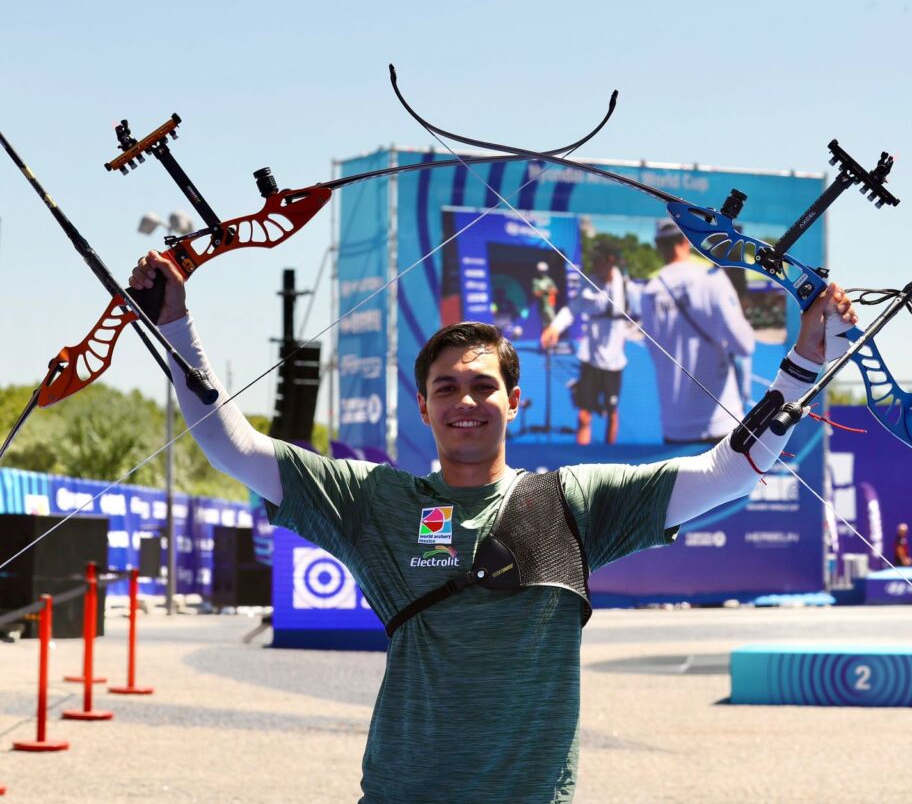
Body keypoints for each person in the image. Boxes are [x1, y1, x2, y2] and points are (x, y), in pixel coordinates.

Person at [130, 249, 856, 804]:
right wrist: (175, 325)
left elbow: (724, 473)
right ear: (424, 406)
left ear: (515, 399)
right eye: (446, 386)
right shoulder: (373, 500)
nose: (465, 400)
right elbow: (235, 446)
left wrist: (803, 365)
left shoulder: (573, 501)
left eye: (483, 385)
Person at [641, 219, 757, 447]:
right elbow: (745, 346)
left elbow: (654, 352)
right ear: (687, 240)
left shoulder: (649, 292)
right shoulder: (711, 279)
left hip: (674, 424)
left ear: (658, 245)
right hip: (722, 420)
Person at [539, 237, 627, 445]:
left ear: (611, 260)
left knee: (612, 415)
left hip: (614, 363)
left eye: (599, 260)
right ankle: (581, 462)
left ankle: (612, 457)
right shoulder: (589, 282)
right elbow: (572, 308)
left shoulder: (625, 283)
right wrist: (555, 327)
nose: (595, 264)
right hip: (590, 360)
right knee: (583, 415)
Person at [531, 260, 559, 326]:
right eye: (541, 271)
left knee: (554, 324)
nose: (543, 273)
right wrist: (543, 292)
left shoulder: (549, 280)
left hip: (550, 306)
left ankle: (554, 336)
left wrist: (548, 290)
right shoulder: (536, 281)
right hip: (542, 307)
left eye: (544, 271)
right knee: (545, 325)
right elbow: (535, 294)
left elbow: (555, 291)